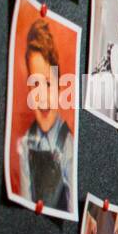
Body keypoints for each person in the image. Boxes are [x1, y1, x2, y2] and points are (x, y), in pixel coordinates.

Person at [16, 18, 74, 212]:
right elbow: (24, 199)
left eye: (48, 84)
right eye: (35, 84)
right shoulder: (26, 144)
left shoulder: (67, 144)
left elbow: (72, 204)